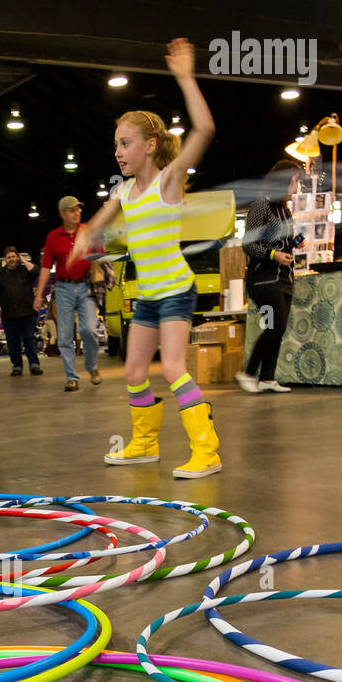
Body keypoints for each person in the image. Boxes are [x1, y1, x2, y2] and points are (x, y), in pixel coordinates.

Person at [73, 39, 218, 477]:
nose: (118, 152)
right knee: (135, 370)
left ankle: (206, 451)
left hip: (175, 290)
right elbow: (97, 223)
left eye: (126, 143)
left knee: (172, 366)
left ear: (151, 145)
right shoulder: (122, 191)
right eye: (116, 144)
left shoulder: (168, 182)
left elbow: (205, 130)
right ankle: (144, 443)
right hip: (148, 296)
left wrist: (186, 78)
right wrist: (84, 238)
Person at [237, 160, 302, 394]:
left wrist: (291, 247)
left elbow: (282, 245)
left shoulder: (284, 209)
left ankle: (267, 378)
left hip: (285, 279)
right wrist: (274, 254)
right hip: (263, 280)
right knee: (274, 325)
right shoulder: (260, 205)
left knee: (279, 327)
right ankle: (247, 373)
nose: (297, 185)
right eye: (294, 180)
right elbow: (248, 245)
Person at [34, 197, 101, 391]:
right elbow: (46, 267)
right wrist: (39, 296)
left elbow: (100, 255)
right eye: (72, 210)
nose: (77, 213)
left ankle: (92, 367)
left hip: (86, 285)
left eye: (78, 209)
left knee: (89, 330)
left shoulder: (88, 231)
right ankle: (72, 377)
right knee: (64, 335)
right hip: (63, 288)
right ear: (62, 214)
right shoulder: (53, 237)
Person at [0, 247, 42, 378]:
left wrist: (24, 261)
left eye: (14, 257)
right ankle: (17, 366)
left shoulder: (25, 270)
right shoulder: (0, 275)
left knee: (28, 338)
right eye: (8, 257)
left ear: (18, 257)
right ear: (5, 260)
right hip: (9, 314)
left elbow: (37, 271)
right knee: (12, 342)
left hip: (27, 313)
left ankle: (34, 365)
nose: (11, 260)